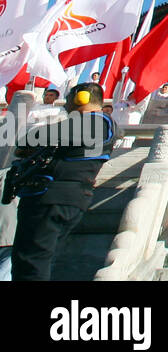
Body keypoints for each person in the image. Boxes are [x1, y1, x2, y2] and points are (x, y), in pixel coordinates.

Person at [7, 82, 114, 281]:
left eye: (69, 99)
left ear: (80, 98)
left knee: (31, 264)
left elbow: (33, 138)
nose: (66, 106)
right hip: (62, 197)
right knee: (33, 260)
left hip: (53, 197)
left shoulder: (96, 122)